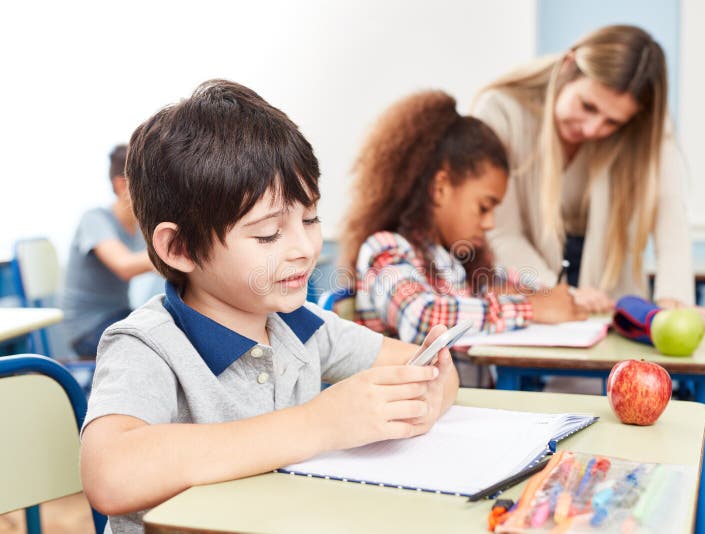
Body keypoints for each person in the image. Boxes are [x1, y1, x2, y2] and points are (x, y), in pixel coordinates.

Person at [79, 80, 459, 534]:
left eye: (311, 218)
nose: (304, 247)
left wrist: (427, 398)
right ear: (179, 247)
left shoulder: (299, 324)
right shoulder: (148, 344)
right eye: (267, 234)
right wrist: (317, 424)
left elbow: (426, 365)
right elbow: (111, 474)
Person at [473, 24, 705, 327]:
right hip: (526, 273)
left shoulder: (646, 126)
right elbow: (502, 232)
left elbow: (670, 216)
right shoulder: (500, 110)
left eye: (612, 123)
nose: (591, 130)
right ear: (568, 66)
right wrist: (557, 292)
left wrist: (675, 302)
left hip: (608, 282)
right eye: (587, 106)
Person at [338, 90, 587, 345]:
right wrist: (532, 308)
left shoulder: (457, 261)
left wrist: (567, 297)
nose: (489, 224)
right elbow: (424, 318)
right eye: (483, 207)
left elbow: (511, 283)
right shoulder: (386, 250)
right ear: (441, 188)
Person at [61, 144, 154, 358]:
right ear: (122, 186)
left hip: (120, 314)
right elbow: (124, 266)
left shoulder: (141, 224)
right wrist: (176, 252)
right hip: (88, 327)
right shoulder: (94, 219)